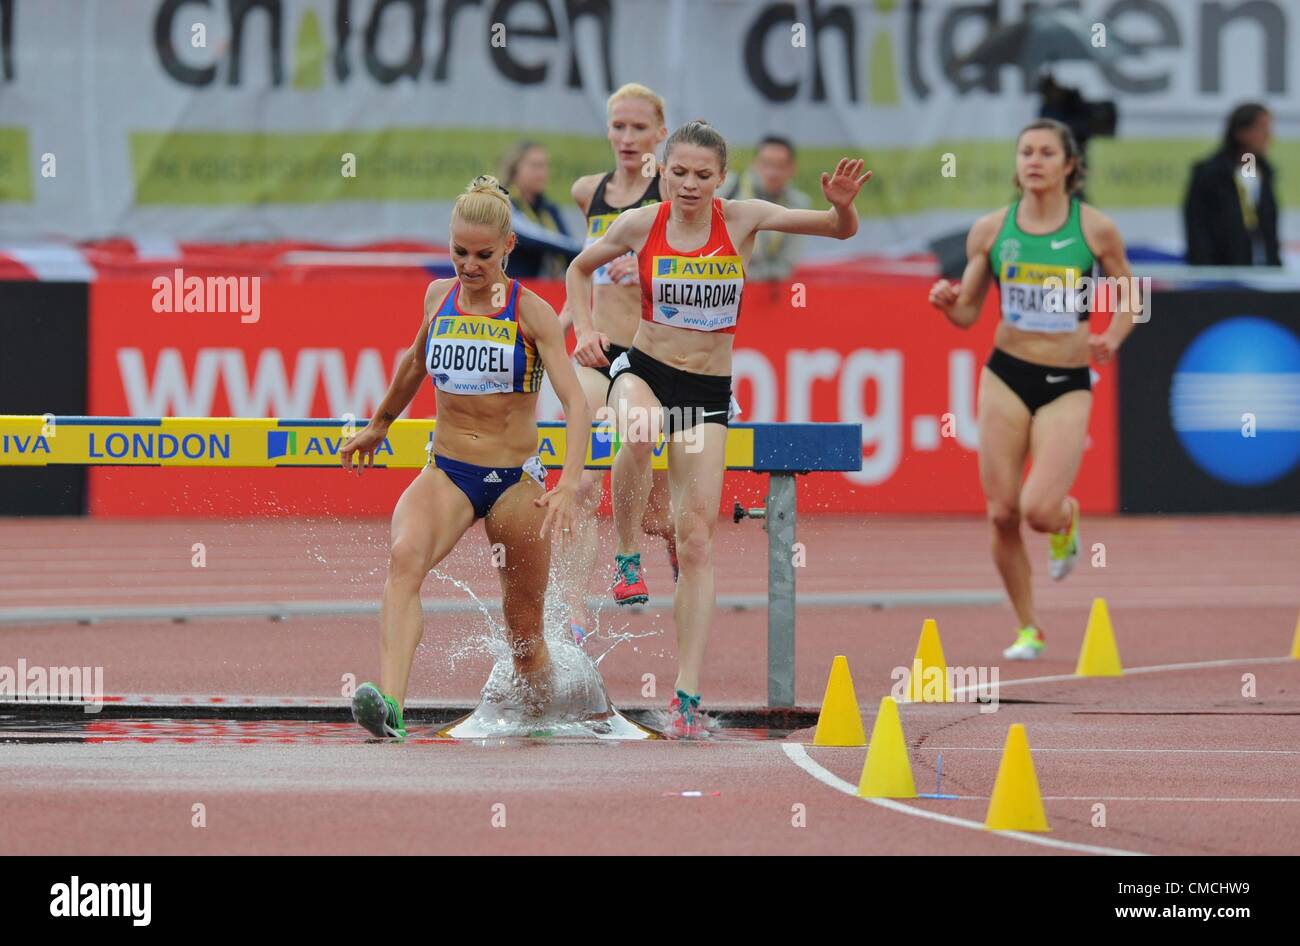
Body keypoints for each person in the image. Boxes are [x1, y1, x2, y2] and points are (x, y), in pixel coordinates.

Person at [562, 119, 869, 735]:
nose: (690, 186)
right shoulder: (641, 225)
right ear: (662, 173)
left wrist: (841, 209)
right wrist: (587, 327)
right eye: (678, 173)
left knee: (697, 540)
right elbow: (578, 269)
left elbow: (837, 230)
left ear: (721, 178)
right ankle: (626, 556)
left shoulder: (745, 218)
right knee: (641, 429)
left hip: (707, 394)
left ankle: (686, 696)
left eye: (703, 175)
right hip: (644, 370)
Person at [341, 175, 590, 739]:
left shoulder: (533, 313)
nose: (468, 265)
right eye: (458, 252)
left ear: (508, 248)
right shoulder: (439, 297)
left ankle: (541, 720)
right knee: (405, 559)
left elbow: (575, 402)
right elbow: (413, 361)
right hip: (447, 471)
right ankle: (392, 707)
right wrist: (379, 424)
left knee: (524, 634)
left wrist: (570, 483)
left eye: (482, 254)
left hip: (514, 481)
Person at [927, 118, 1140, 661]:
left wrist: (1112, 336)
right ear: (1017, 162)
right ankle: (1029, 627)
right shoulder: (992, 231)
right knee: (1001, 512)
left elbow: (1132, 293)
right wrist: (951, 306)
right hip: (1006, 373)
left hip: (1067, 381)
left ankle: (1065, 520)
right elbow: (970, 313)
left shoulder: (1094, 230)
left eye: (1047, 152)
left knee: (1037, 509)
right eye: (1026, 152)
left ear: (1069, 165)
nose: (1035, 161)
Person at [558, 82, 674, 645]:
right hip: (599, 354)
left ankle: (674, 546)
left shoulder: (674, 197)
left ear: (660, 134)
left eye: (639, 128)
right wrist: (566, 326)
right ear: (608, 131)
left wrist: (651, 266)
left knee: (659, 516)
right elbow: (584, 274)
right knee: (578, 483)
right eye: (618, 127)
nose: (627, 138)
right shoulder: (588, 192)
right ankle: (575, 607)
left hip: (654, 360)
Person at [1183, 103, 1282, 267]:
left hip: (1262, 271)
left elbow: (1266, 227)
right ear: (1241, 132)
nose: (1268, 135)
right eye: (1261, 129)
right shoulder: (1209, 174)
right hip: (1221, 274)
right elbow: (1198, 229)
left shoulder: (1264, 173)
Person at [720, 135, 811, 281]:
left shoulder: (798, 204)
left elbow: (787, 265)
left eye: (780, 165)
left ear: (792, 168)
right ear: (754, 163)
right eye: (766, 164)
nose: (772, 173)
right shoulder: (727, 189)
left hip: (767, 291)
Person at [499, 141, 583, 279]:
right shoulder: (503, 204)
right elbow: (534, 237)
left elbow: (570, 253)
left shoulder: (550, 209)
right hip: (511, 291)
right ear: (515, 169)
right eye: (535, 166)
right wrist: (581, 249)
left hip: (547, 291)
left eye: (545, 166)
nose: (542, 173)